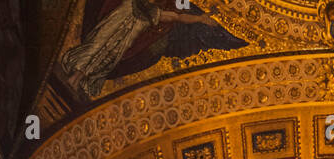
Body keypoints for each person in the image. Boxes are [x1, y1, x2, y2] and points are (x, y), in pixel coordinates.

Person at [63, 1, 220, 99]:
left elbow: (178, 17)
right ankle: (75, 77)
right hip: (113, 24)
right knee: (95, 47)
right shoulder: (134, 4)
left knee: (106, 59)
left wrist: (201, 19)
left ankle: (77, 79)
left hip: (121, 43)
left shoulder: (155, 13)